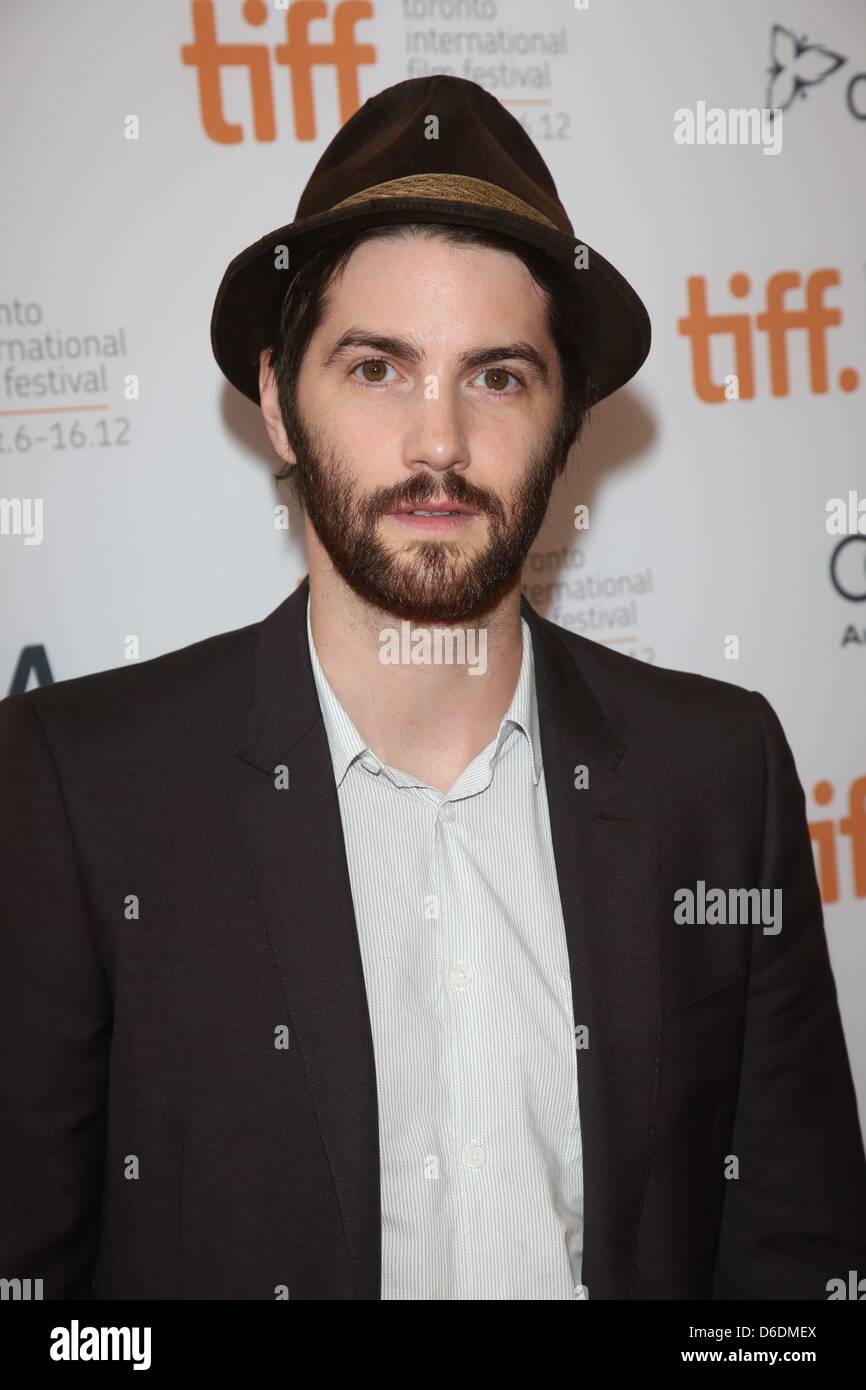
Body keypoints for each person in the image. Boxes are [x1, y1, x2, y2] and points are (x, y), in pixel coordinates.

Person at [1, 75, 864, 1302]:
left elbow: (791, 1271)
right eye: (375, 368)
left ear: (567, 422)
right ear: (277, 405)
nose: (438, 444)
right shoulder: (77, 784)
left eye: (498, 376)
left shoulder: (717, 774)